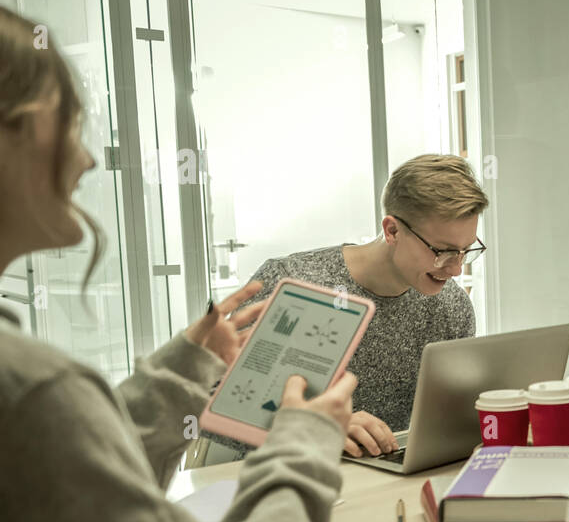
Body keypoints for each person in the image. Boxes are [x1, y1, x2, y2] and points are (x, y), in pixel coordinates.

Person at [0, 1, 357, 522]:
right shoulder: (28, 391)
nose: (88, 158)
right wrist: (304, 447)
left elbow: (58, 491)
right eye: (70, 122)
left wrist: (183, 371)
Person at [202, 154, 487, 463]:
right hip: (286, 481)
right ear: (392, 231)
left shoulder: (451, 306)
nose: (456, 269)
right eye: (443, 251)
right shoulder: (293, 284)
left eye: (465, 251)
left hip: (391, 483)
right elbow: (209, 405)